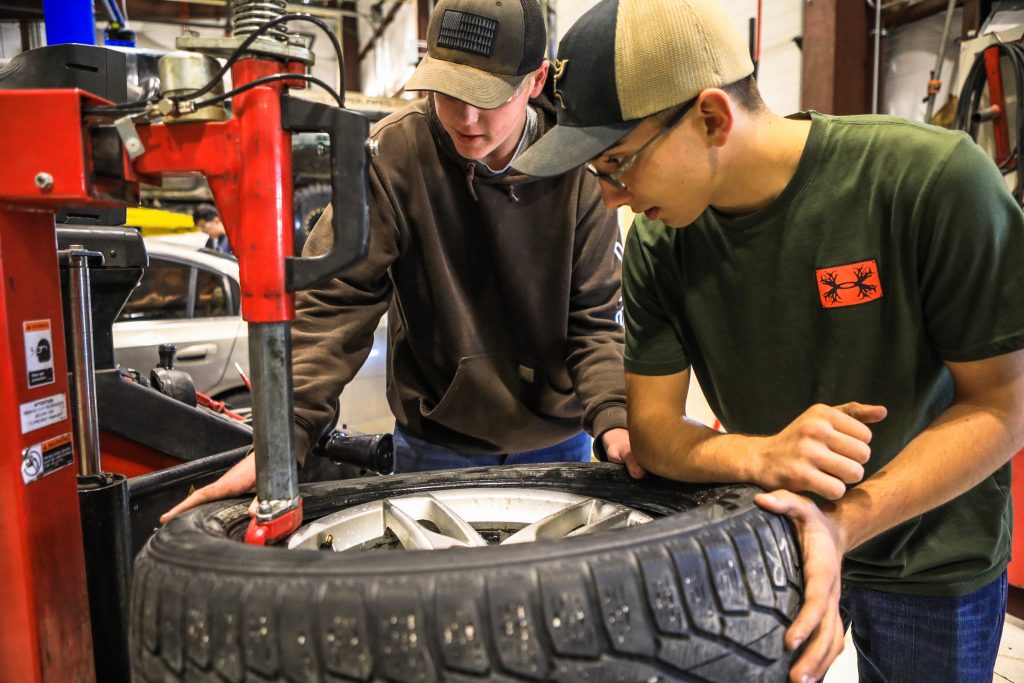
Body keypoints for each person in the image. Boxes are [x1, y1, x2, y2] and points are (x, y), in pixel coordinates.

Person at [513, 1, 1024, 682]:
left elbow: (1003, 404)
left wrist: (844, 524)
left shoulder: (927, 183)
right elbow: (656, 429)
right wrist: (764, 454)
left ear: (713, 117)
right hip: (773, 539)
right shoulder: (661, 243)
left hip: (931, 562)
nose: (610, 197)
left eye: (617, 164)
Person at [161, 0, 642, 523]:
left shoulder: (576, 167)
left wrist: (617, 421)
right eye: (447, 90)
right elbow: (332, 301)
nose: (464, 116)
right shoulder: (392, 153)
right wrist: (283, 439)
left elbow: (595, 322)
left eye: (486, 95)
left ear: (535, 80)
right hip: (435, 444)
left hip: (560, 442)